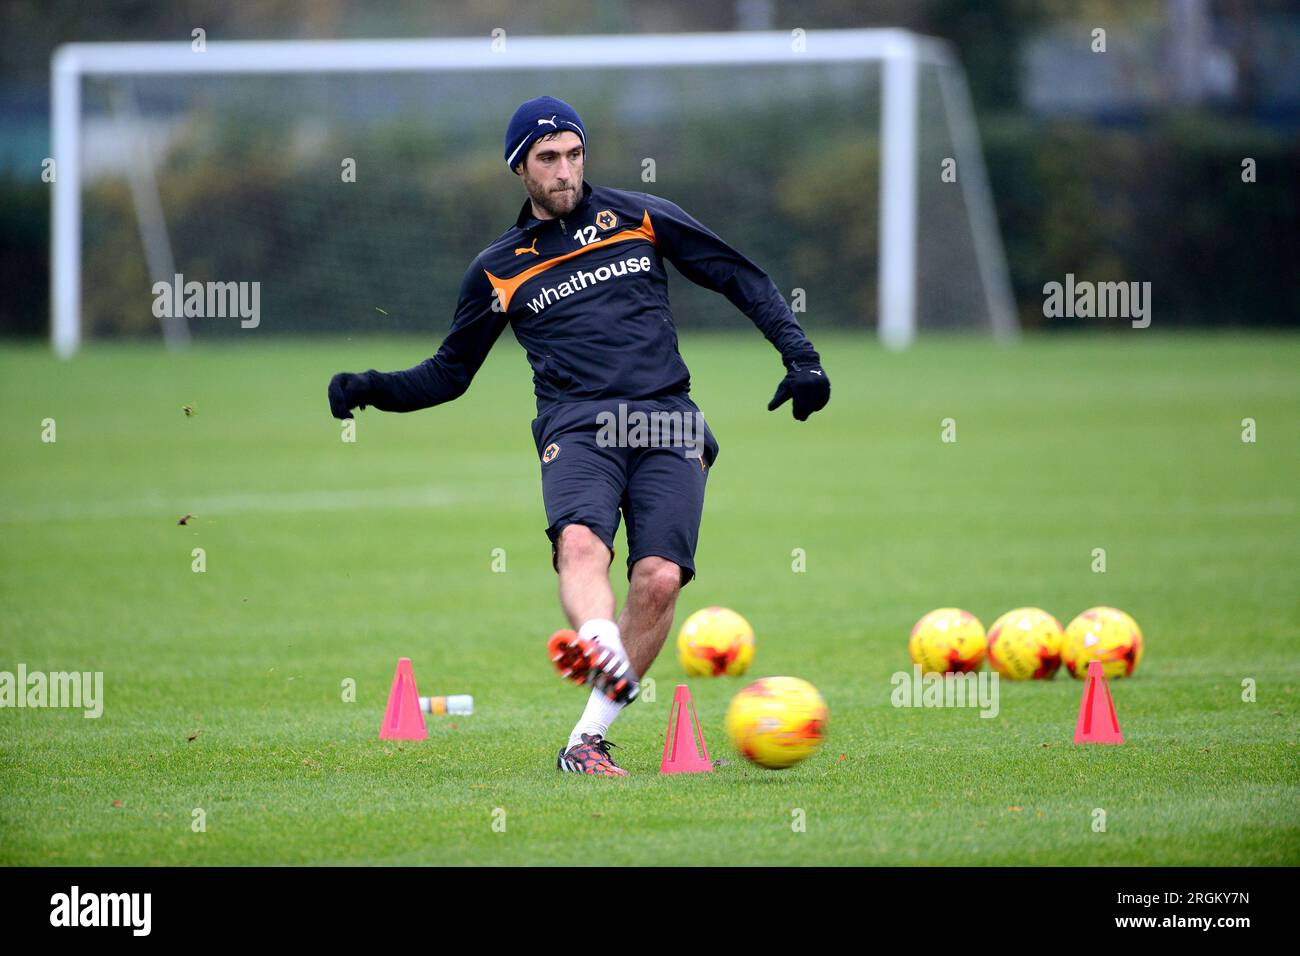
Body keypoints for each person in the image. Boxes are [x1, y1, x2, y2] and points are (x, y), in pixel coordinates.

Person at [329, 95, 829, 776]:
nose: (564, 170)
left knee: (657, 581)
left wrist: (801, 357)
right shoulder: (499, 266)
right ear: (520, 170)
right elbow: (449, 374)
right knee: (580, 541)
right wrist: (371, 388)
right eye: (547, 159)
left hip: (668, 419)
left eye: (573, 154)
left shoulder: (640, 215)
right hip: (578, 424)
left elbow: (737, 275)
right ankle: (599, 643)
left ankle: (585, 742)